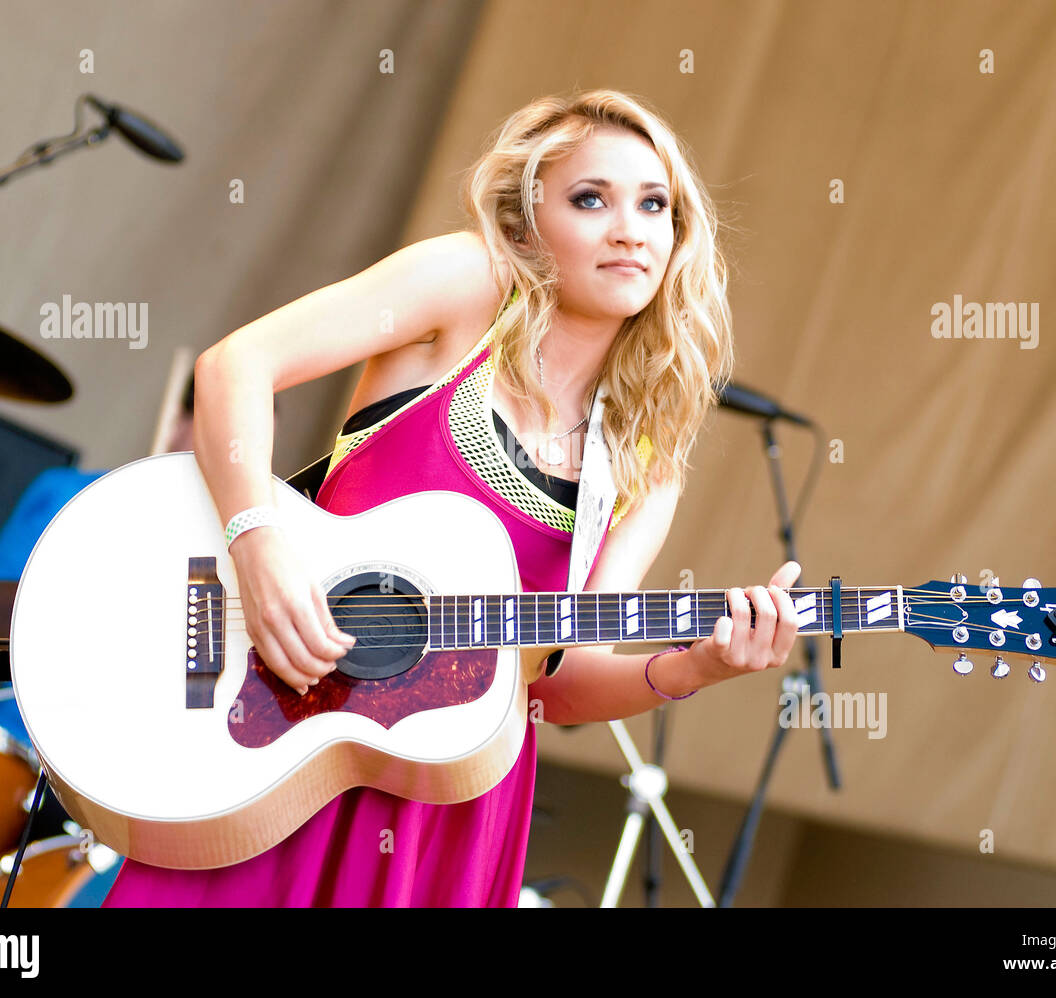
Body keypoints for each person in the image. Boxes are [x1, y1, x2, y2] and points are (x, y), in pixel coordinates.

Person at [102, 89, 801, 909]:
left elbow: (562, 684)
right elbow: (235, 365)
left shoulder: (644, 460)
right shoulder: (465, 286)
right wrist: (257, 544)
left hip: (446, 810)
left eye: (655, 205)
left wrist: (701, 665)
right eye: (590, 199)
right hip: (274, 737)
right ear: (523, 222)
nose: (630, 229)